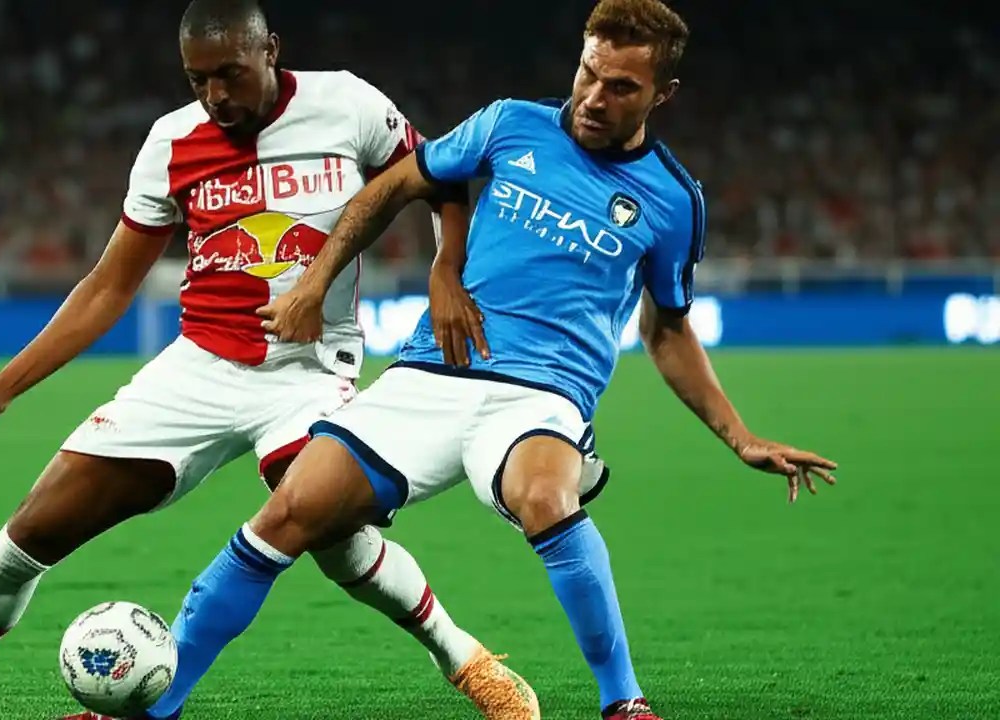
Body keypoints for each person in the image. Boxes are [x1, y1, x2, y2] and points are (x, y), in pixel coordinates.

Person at [132, 1, 841, 719]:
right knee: (287, 513)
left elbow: (669, 331)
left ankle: (624, 702)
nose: (594, 98)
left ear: (664, 94)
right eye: (589, 73)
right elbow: (397, 184)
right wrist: (358, 277)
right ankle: (159, 706)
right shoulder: (510, 124)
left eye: (622, 87)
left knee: (545, 500)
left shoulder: (671, 200)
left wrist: (739, 435)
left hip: (541, 395)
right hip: (430, 375)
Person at [0, 1, 543, 719]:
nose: (215, 96)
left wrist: (445, 269)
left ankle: (469, 662)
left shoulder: (348, 104)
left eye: (230, 74)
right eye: (197, 80)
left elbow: (444, 176)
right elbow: (109, 286)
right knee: (32, 530)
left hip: (309, 374)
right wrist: (5, 387)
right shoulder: (172, 142)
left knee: (332, 533)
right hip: (198, 367)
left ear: (271, 50)